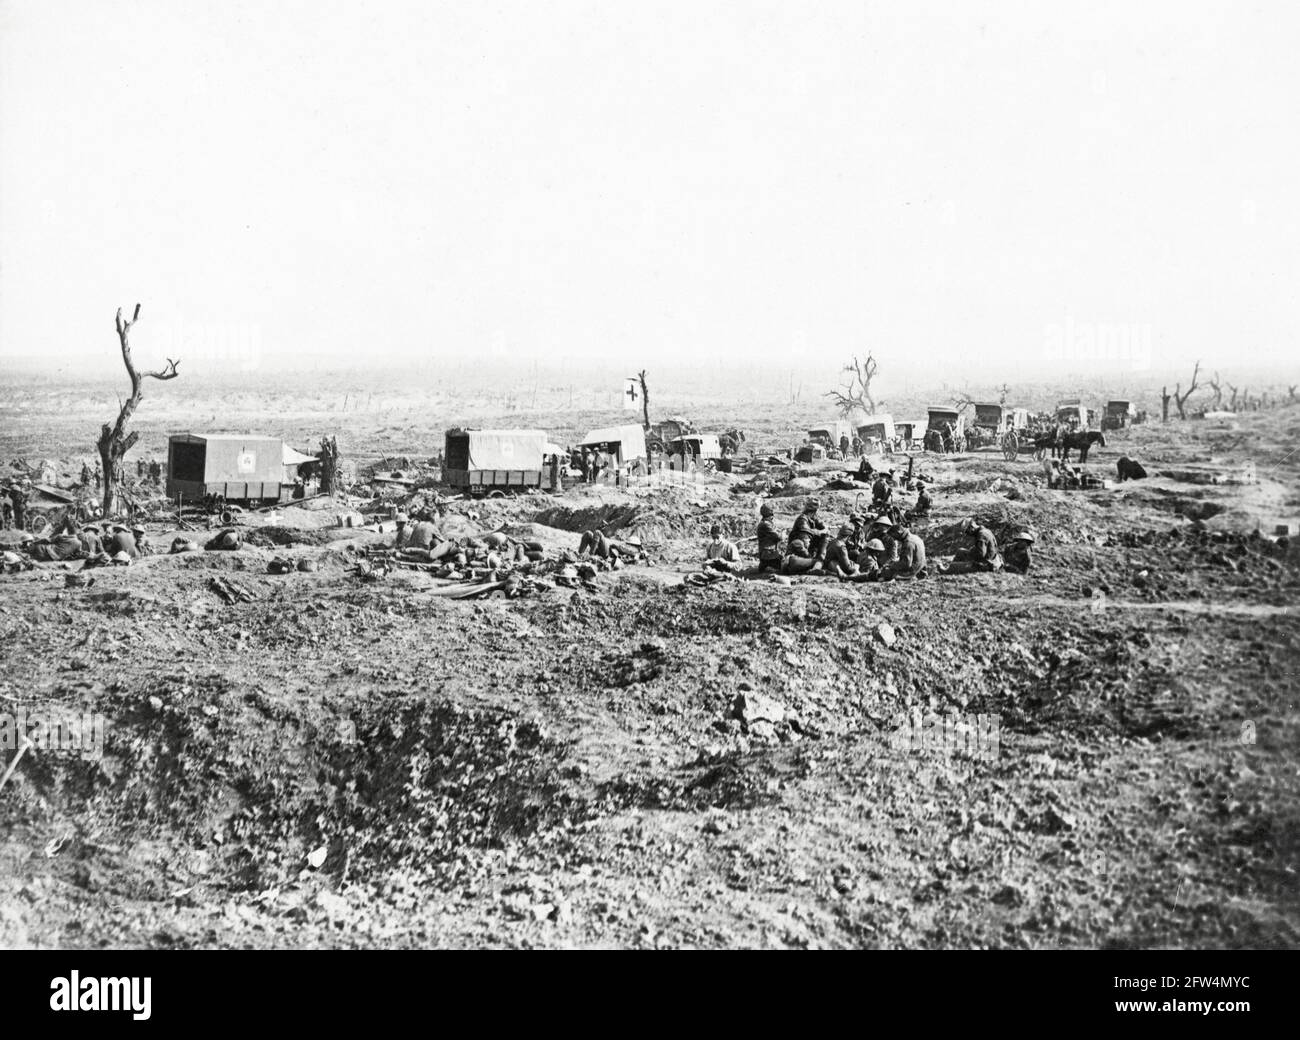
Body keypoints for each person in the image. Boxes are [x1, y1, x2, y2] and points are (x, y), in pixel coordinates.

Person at [756, 503, 783, 573]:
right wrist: (783, 534)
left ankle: (764, 564)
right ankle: (765, 564)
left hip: (769, 553)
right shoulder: (766, 524)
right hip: (769, 555)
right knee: (786, 566)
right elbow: (778, 537)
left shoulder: (766, 523)